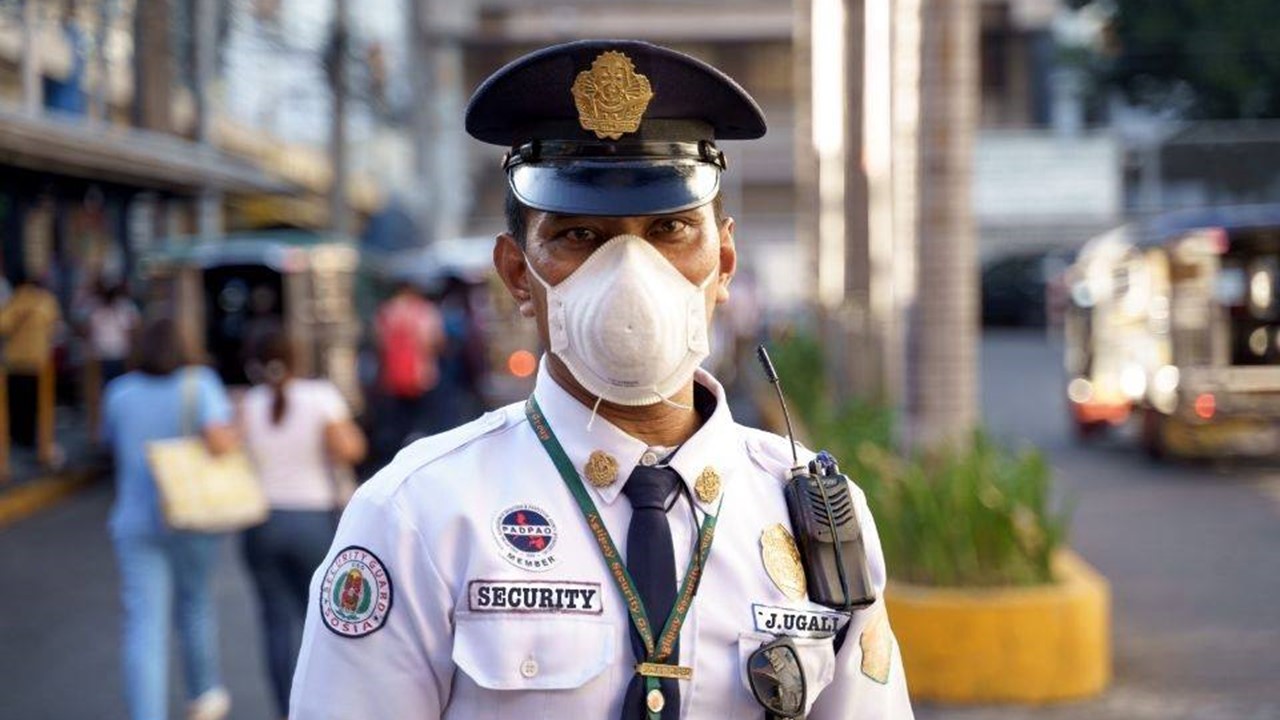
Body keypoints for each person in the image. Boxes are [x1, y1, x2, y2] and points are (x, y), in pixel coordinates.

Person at [290, 40, 913, 719]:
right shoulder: (419, 517)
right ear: (516, 276)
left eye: (670, 227)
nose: (631, 273)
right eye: (579, 236)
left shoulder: (814, 515)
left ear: (724, 260)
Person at [101, 317, 236, 720]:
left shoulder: (119, 393)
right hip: (192, 517)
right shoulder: (201, 384)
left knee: (144, 623)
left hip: (135, 520)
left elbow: (107, 442)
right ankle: (204, 695)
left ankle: (147, 713)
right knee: (195, 604)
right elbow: (218, 443)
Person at [239, 330, 367, 719]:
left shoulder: (250, 402)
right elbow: (350, 450)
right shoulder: (320, 397)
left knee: (276, 622)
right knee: (325, 621)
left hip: (260, 522)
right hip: (313, 520)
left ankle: (286, 710)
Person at [373, 281, 446, 445]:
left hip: (394, 374)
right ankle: (419, 439)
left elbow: (380, 344)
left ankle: (401, 442)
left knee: (399, 415)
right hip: (422, 372)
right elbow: (435, 341)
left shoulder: (387, 311)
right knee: (422, 414)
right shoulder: (424, 310)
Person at [0, 276, 62, 466]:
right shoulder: (46, 301)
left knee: (18, 404)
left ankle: (21, 438)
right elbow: (54, 326)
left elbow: (3, 326)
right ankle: (35, 442)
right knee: (37, 405)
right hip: (38, 362)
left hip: (16, 362)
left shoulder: (14, 301)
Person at [87, 282, 139, 384]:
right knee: (109, 382)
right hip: (104, 354)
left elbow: (131, 330)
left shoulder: (123, 306)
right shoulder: (96, 307)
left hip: (117, 353)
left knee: (116, 382)